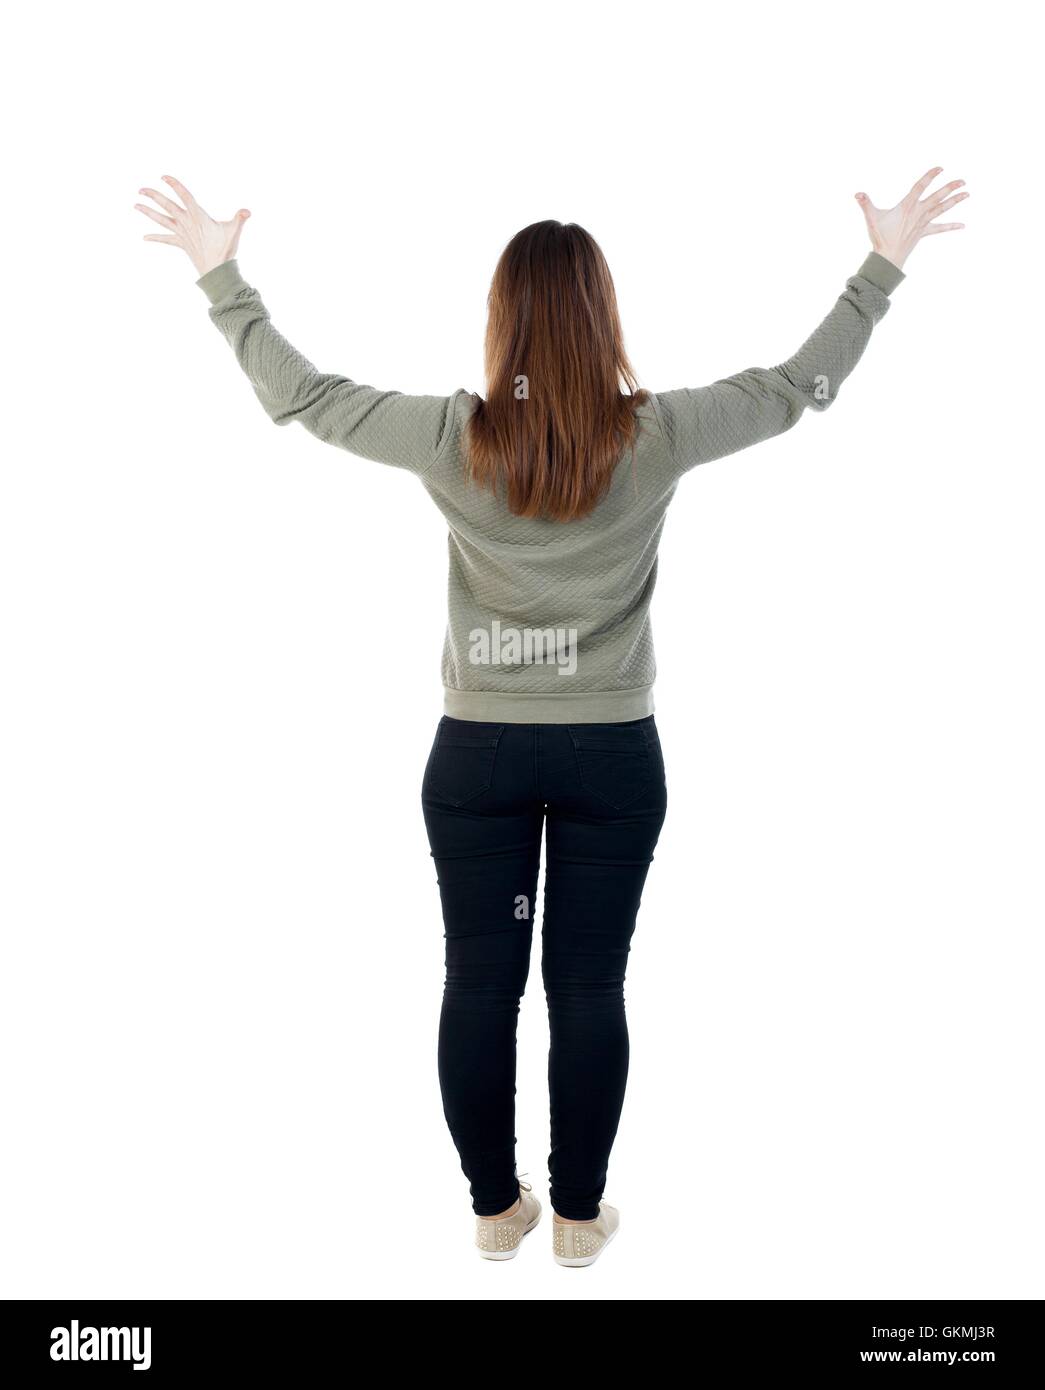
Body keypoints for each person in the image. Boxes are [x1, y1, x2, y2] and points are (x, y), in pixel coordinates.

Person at [135, 169, 968, 1267]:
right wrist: (880, 268)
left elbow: (307, 398)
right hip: (611, 754)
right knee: (587, 985)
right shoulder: (655, 434)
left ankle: (497, 1211)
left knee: (479, 979)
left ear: (502, 322)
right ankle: (577, 1218)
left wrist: (219, 275)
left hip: (475, 753)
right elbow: (789, 389)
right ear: (601, 319)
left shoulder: (449, 435)